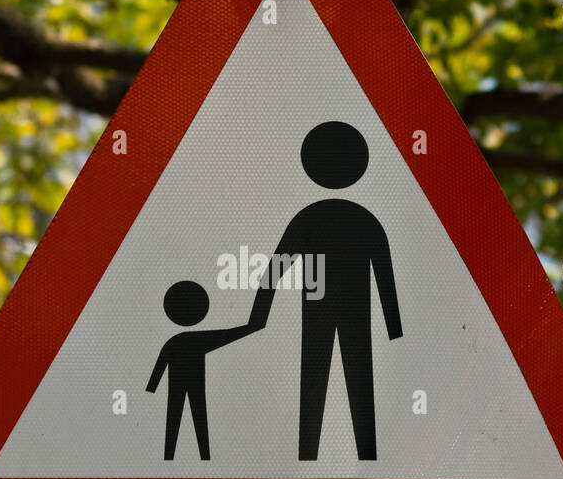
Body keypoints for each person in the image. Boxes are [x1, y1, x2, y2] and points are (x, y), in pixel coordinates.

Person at [248, 121, 401, 460]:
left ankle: (309, 456)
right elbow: (385, 276)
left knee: (316, 382)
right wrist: (394, 328)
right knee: (357, 383)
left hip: (318, 312)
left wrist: (258, 317)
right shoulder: (365, 220)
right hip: (351, 315)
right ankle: (362, 456)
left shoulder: (310, 218)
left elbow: (274, 271)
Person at [146, 280, 253, 460]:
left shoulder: (177, 340)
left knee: (188, 416)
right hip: (187, 384)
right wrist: (152, 386)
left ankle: (186, 456)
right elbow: (225, 335)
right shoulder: (187, 340)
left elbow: (161, 361)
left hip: (188, 383)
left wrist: (152, 387)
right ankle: (195, 456)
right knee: (189, 416)